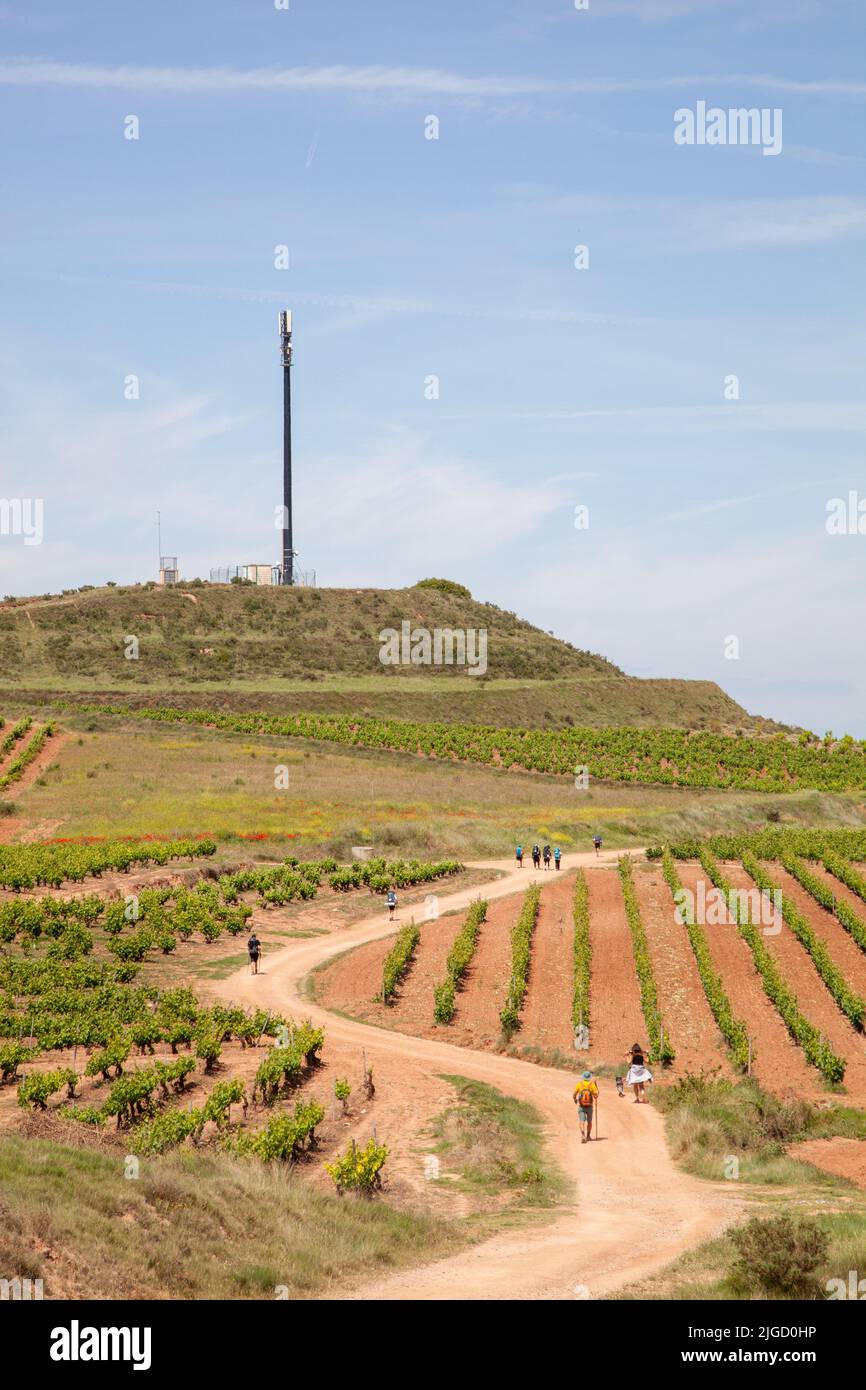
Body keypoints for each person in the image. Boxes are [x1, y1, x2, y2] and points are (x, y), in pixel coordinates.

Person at [573, 1071, 599, 1143]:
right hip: (589, 1106)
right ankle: (588, 1136)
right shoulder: (592, 1084)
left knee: (582, 1121)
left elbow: (574, 1094)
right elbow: (596, 1095)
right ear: (589, 1077)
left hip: (581, 1106)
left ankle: (583, 1135)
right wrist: (596, 1086)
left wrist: (575, 1099)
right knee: (589, 1122)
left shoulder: (579, 1084)